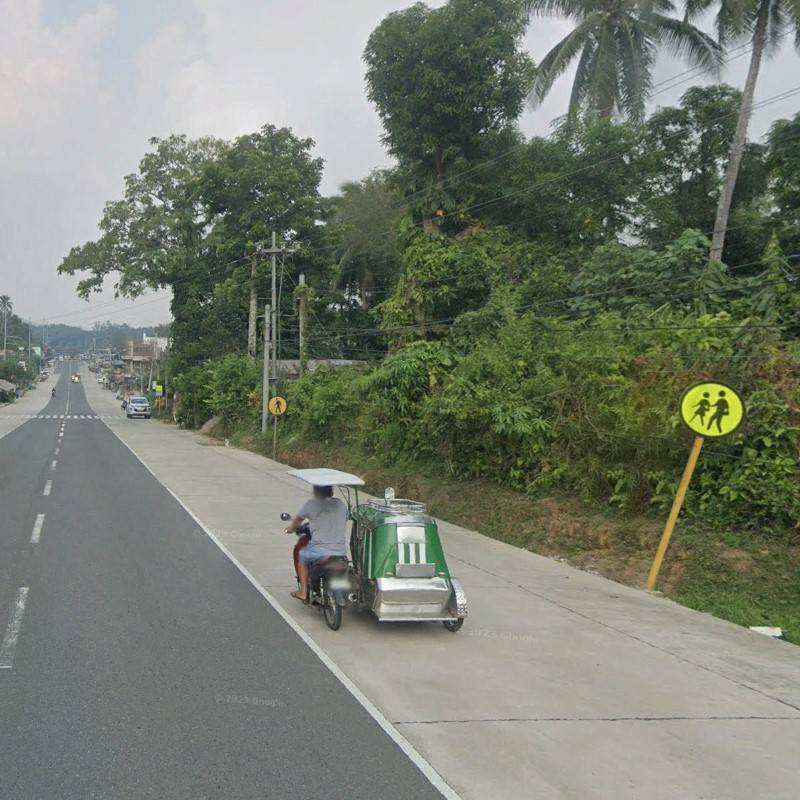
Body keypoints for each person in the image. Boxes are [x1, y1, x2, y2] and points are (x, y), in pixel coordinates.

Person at [284, 485, 348, 601]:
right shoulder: (340, 504)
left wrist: (291, 528)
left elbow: (298, 520)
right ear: (331, 491)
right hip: (340, 551)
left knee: (302, 555)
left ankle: (303, 592)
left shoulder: (311, 504)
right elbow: (345, 518)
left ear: (316, 491)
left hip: (320, 550)